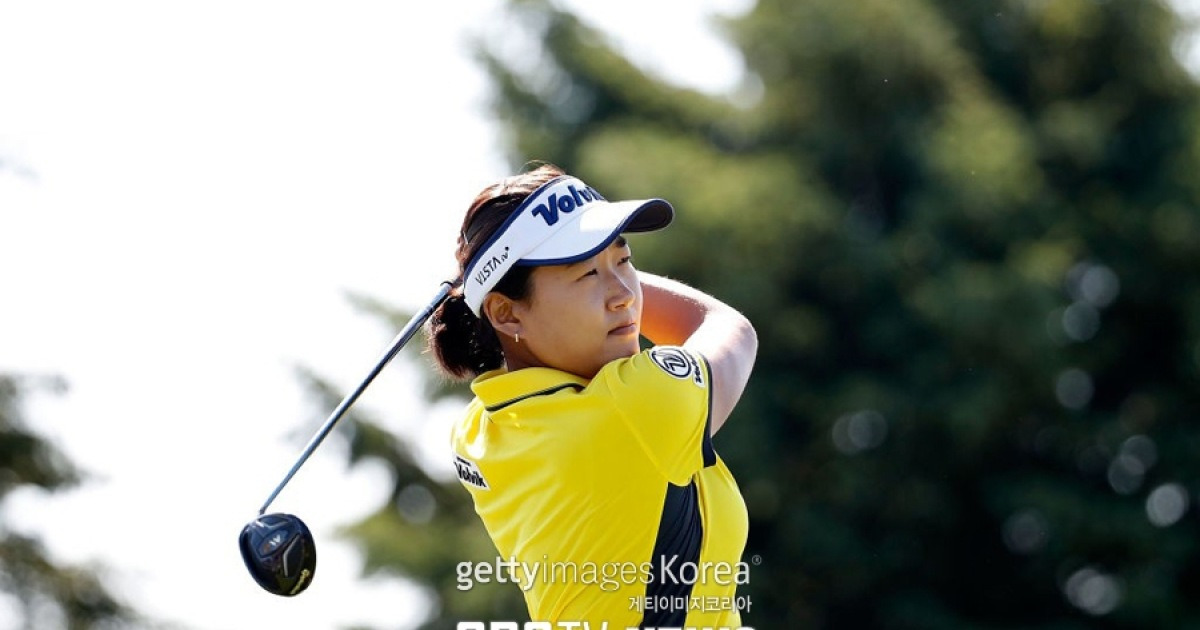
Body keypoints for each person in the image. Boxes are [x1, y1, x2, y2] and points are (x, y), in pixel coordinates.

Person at [429, 162, 758, 627]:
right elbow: (730, 329)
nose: (624, 295)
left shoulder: (478, 430)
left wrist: (480, 291)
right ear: (506, 314)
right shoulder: (636, 406)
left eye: (624, 261)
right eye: (586, 275)